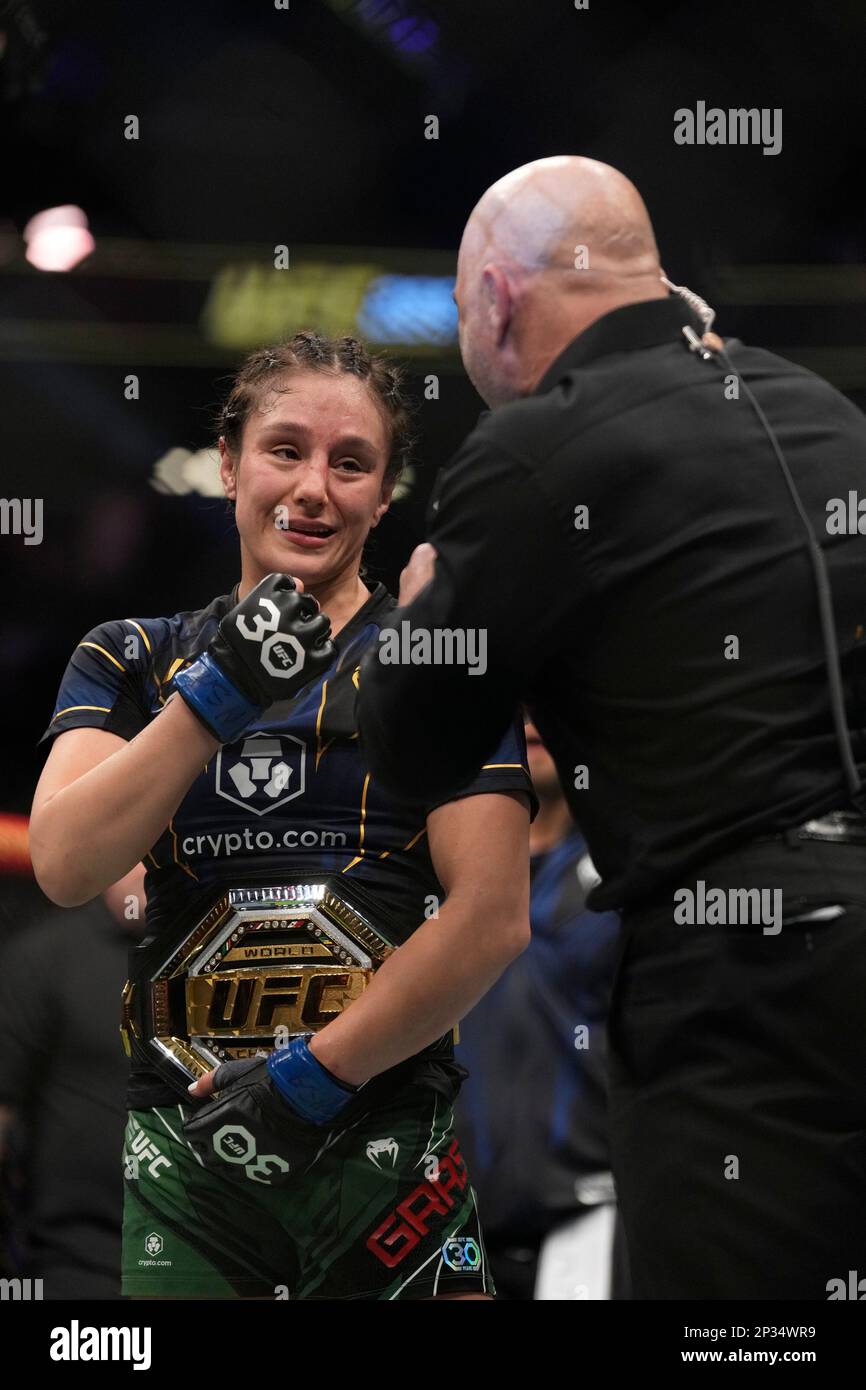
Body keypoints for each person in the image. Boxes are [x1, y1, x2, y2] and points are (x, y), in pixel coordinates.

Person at [357, 156, 866, 1299]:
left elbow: (416, 748)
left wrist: (418, 614)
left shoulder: (538, 450)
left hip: (737, 972)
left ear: (493, 298)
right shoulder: (821, 411)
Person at [29, 332, 533, 1301]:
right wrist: (214, 698)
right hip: (189, 1159)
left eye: (351, 464)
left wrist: (314, 1079)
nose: (313, 487)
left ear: (382, 497)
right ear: (228, 464)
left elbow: (490, 914)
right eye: (285, 450)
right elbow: (65, 863)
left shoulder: (432, 658)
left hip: (386, 1145)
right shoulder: (131, 655)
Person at [454, 719, 625, 1300]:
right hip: (444, 1225)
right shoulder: (414, 875)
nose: (528, 718)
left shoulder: (638, 876)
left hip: (591, 1219)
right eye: (509, 699)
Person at [0, 862, 146, 1300]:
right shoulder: (45, 956)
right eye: (143, 849)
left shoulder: (222, 956)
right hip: (82, 1266)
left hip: (219, 1265)